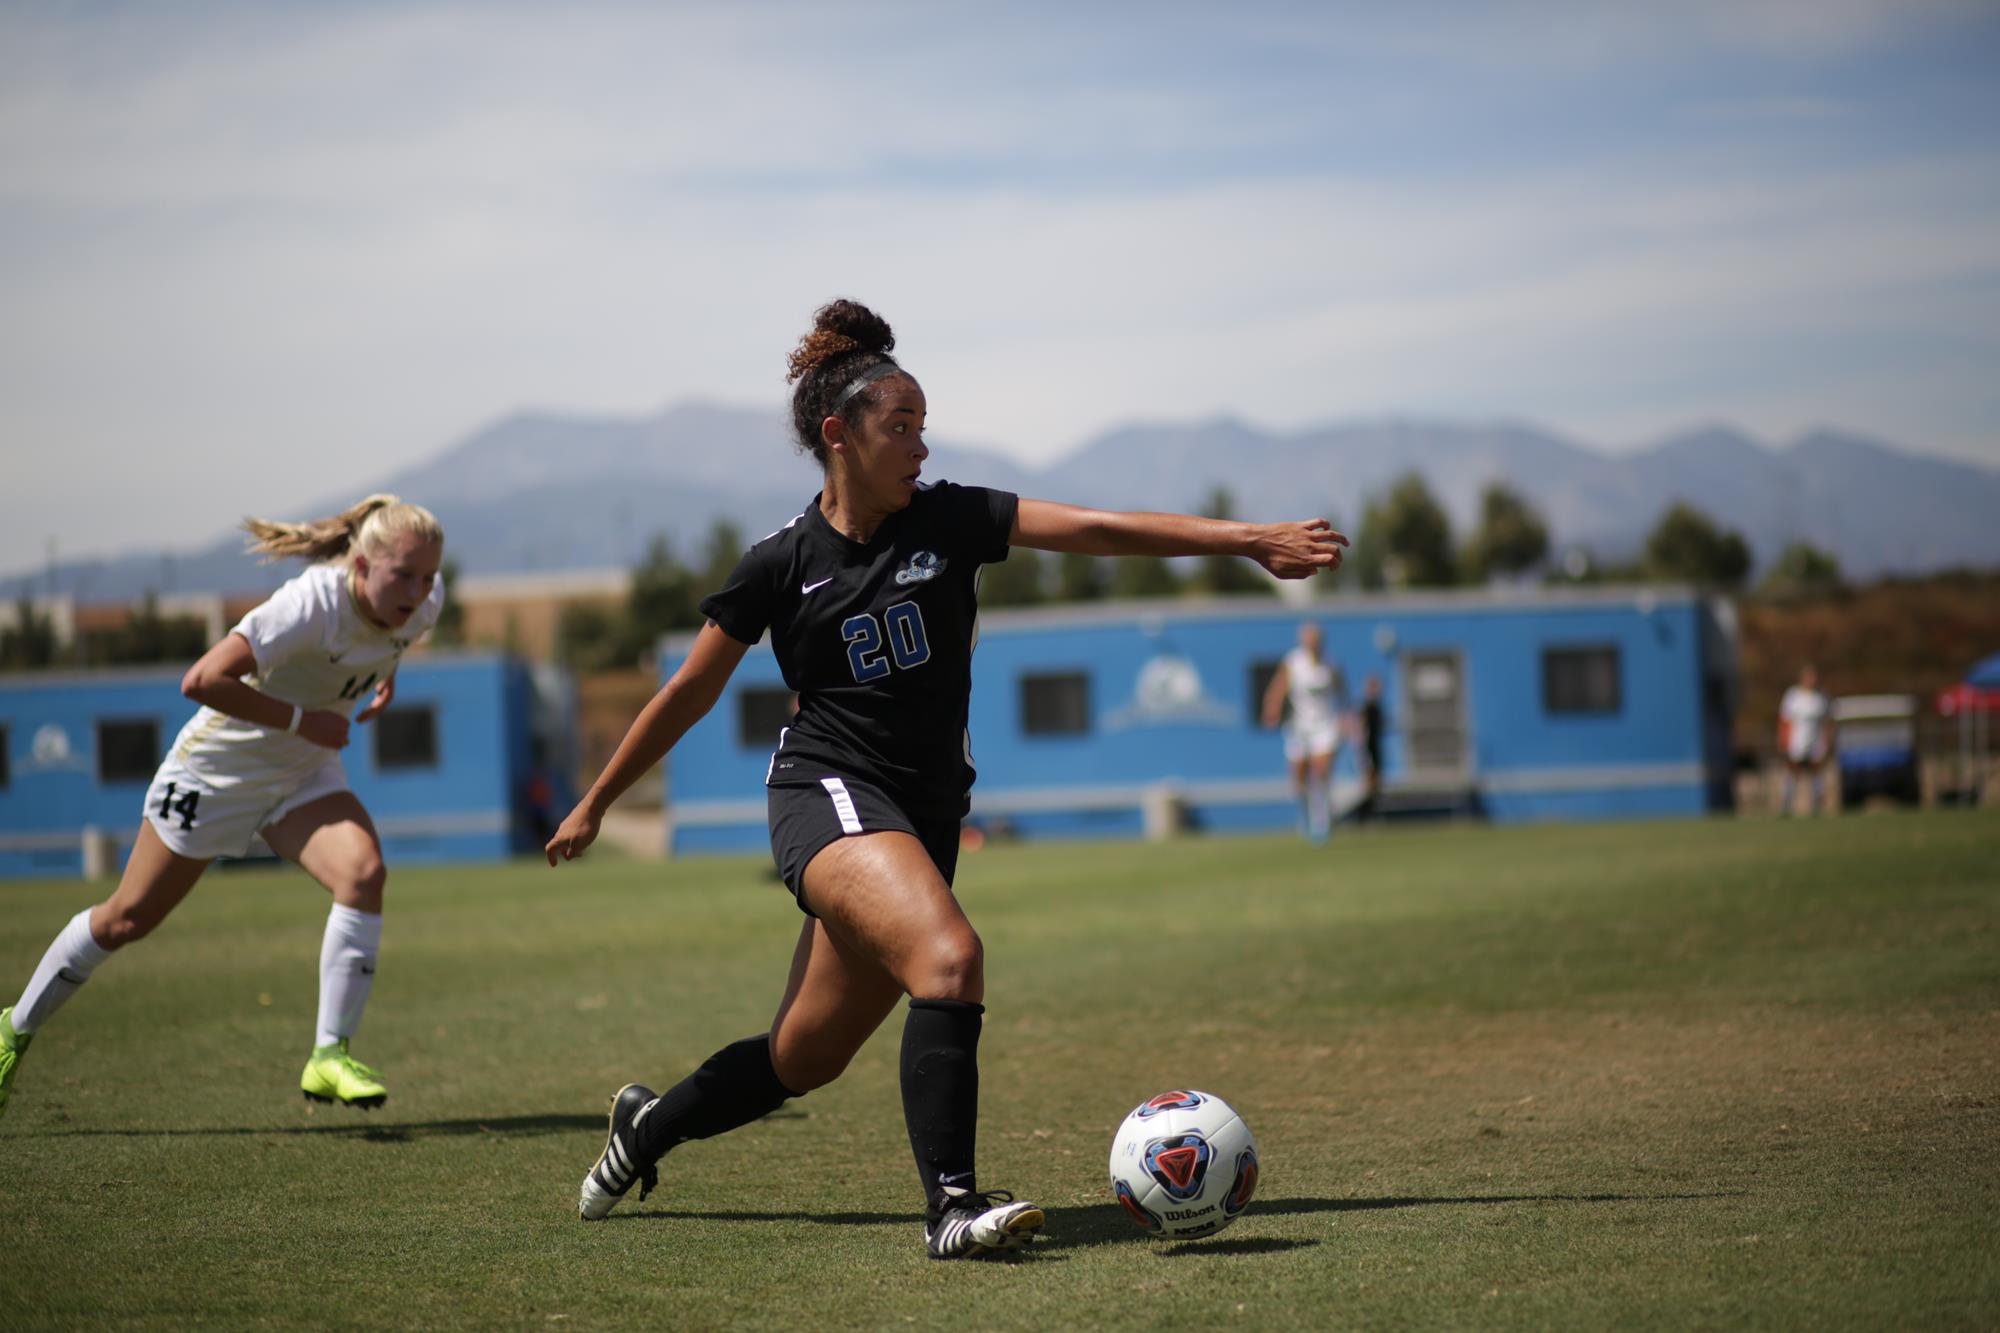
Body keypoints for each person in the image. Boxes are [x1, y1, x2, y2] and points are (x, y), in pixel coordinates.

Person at [544, 299, 1346, 1258]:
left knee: (801, 1057)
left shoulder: (951, 519)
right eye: (902, 427)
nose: (921, 447)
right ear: (838, 436)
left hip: (920, 814)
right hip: (826, 794)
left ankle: (647, 1126)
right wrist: (597, 801)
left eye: (924, 426)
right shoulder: (778, 565)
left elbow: (1096, 526)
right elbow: (686, 691)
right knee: (950, 960)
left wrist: (1246, 539)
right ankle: (953, 1208)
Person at [0, 496, 446, 1121]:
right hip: (217, 773)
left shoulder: (424, 601)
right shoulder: (308, 605)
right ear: (363, 563)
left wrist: (383, 678)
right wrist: (302, 719)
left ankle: (328, 1054)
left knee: (363, 874)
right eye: (404, 573)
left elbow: (391, 641)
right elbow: (201, 680)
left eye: (428, 575)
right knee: (126, 920)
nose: (419, 589)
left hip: (301, 773)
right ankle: (12, 1032)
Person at [1260, 623, 1346, 842]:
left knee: (1321, 772)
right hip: (1299, 727)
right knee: (1299, 777)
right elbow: (1279, 688)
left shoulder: (1331, 663)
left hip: (1325, 725)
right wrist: (1273, 708)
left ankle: (1322, 822)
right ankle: (1305, 815)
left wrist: (1348, 717)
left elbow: (1342, 691)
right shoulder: (1293, 662)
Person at [1777, 664, 1835, 816]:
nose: (1811, 680)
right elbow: (1784, 721)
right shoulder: (1793, 696)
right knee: (1793, 771)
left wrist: (1828, 741)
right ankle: (1786, 805)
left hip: (1816, 741)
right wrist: (1784, 741)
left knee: (1817, 771)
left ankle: (1817, 806)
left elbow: (1828, 721)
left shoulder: (1822, 697)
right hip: (1797, 741)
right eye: (1808, 677)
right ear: (1802, 679)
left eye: (1813, 677)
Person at [1356, 673, 1385, 822]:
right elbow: (1360, 728)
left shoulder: (1377, 707)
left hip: (1376, 748)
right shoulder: (1366, 707)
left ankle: (1371, 811)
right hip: (1368, 749)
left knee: (1376, 783)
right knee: (1369, 782)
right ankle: (1364, 814)